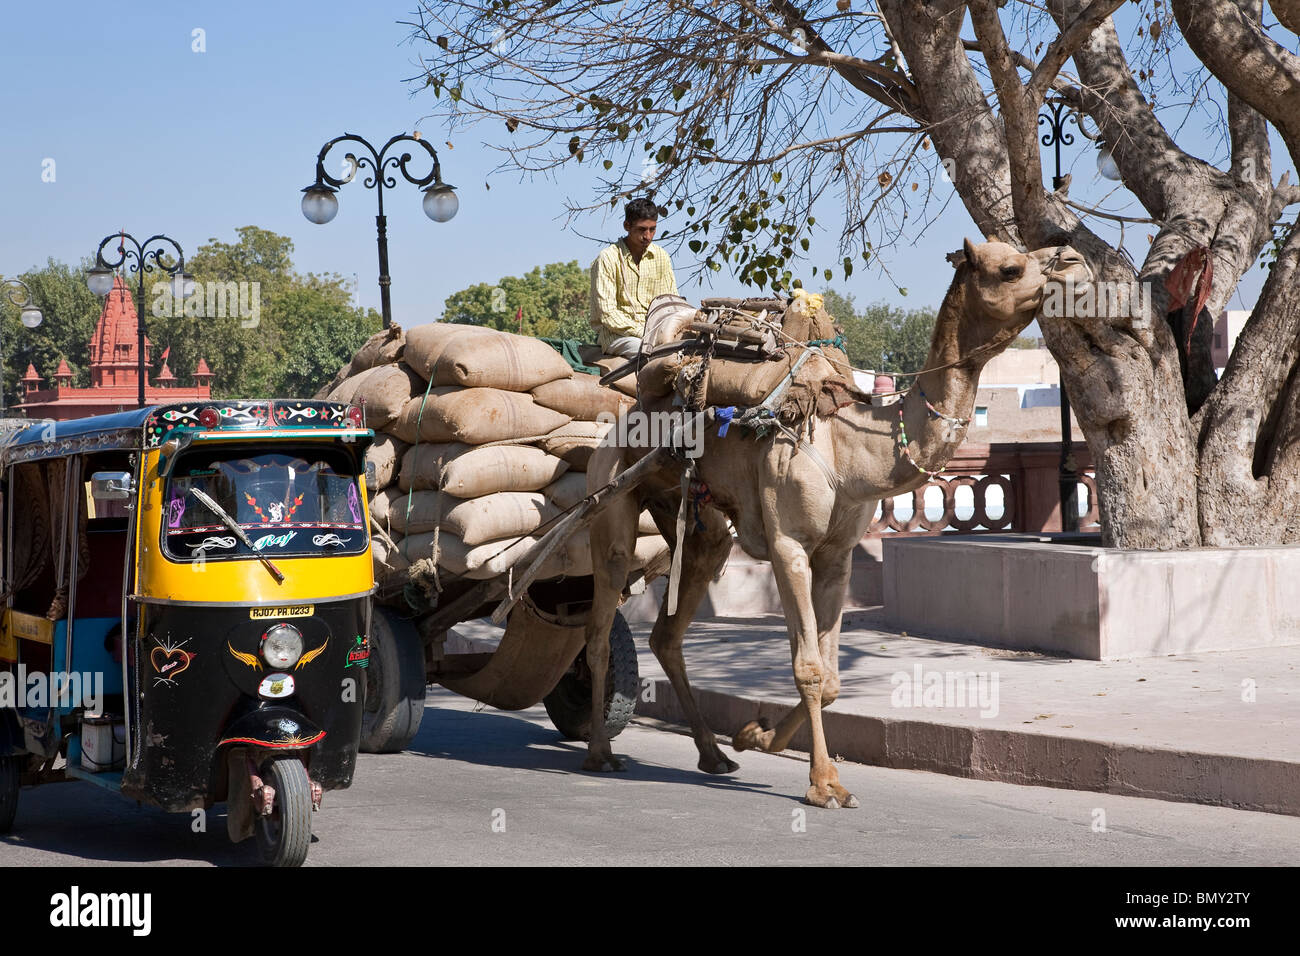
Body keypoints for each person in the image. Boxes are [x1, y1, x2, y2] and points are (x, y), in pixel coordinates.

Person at [589, 197, 679, 358]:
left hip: (658, 333)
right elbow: (608, 314)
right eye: (642, 229)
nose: (648, 236)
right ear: (627, 226)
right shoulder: (607, 258)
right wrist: (645, 332)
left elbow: (671, 303)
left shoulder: (661, 256)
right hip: (618, 336)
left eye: (652, 229)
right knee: (648, 353)